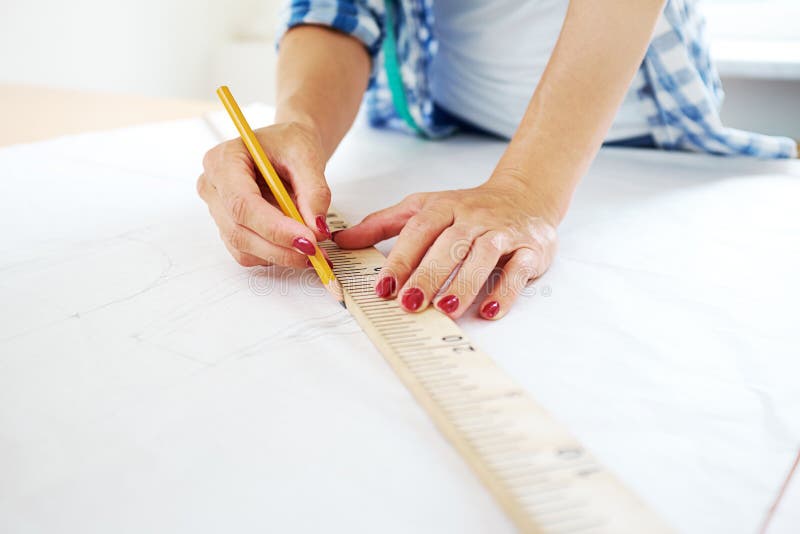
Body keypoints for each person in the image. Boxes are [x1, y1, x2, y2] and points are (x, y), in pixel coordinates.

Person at [197, 0, 797, 321]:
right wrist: (300, 124)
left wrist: (526, 190)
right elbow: (338, 9)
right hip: (449, 130)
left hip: (637, 146)